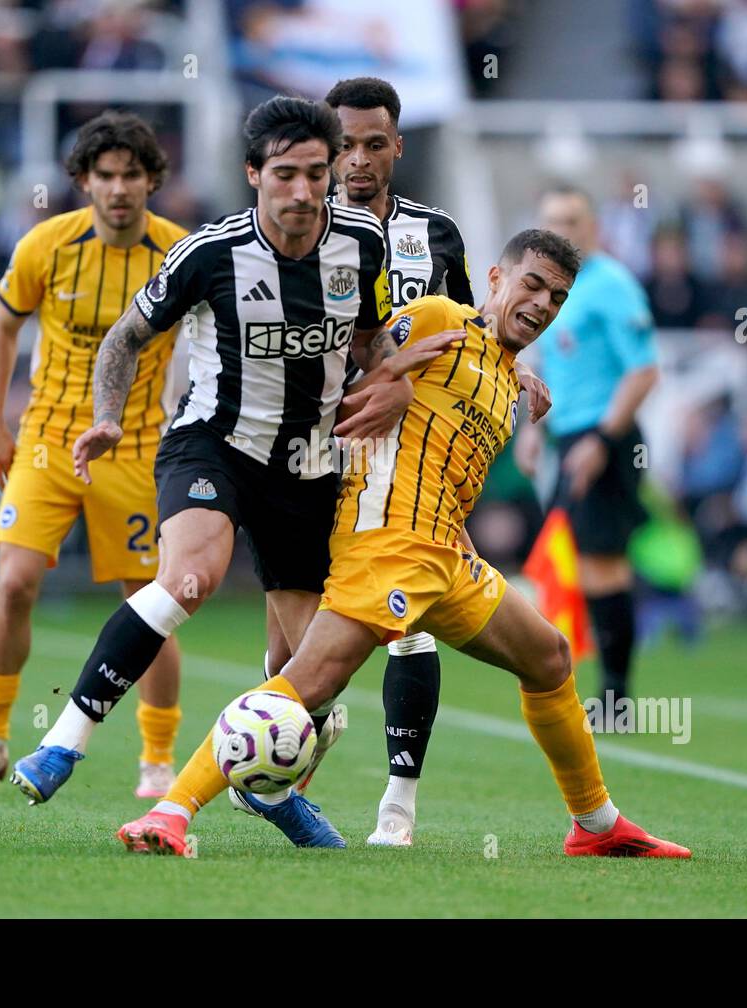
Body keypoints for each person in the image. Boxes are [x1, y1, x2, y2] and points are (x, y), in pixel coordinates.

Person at [119, 229, 691, 859]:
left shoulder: (506, 377)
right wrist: (388, 372)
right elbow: (345, 369)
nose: (543, 304)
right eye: (532, 284)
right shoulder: (439, 317)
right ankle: (172, 811)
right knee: (305, 684)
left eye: (557, 297)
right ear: (495, 280)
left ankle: (596, 823)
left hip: (447, 556)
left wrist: (515, 377)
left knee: (551, 656)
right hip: (386, 543)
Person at [9, 97, 450, 849]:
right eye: (285, 175)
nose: (304, 192)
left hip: (309, 466)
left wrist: (394, 377)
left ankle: (269, 791)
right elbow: (124, 338)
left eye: (317, 173)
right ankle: (65, 740)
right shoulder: (210, 252)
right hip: (213, 445)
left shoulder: (362, 243)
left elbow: (369, 342)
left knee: (315, 669)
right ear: (253, 174)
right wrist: (109, 416)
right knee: (189, 580)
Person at [284, 75, 549, 848]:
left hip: (403, 461)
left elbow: (479, 328)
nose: (359, 161)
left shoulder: (436, 233)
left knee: (412, 627)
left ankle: (397, 805)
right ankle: (281, 770)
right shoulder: (300, 226)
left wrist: (519, 370)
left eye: (375, 143)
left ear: (399, 145)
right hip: (312, 447)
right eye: (346, 146)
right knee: (300, 648)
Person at [0, 111, 189, 799]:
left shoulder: (179, 254)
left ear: (151, 180)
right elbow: (0, 330)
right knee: (15, 582)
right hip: (48, 440)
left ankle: (158, 758)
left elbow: (215, 338)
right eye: (105, 175)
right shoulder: (45, 246)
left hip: (139, 447)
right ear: (83, 181)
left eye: (132, 175)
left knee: (151, 604)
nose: (118, 189)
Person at [516, 185, 659, 717]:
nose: (563, 230)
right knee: (569, 559)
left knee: (602, 563)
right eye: (552, 221)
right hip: (568, 437)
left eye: (572, 219)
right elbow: (551, 362)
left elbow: (644, 370)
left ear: (594, 226)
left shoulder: (611, 285)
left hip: (605, 438)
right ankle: (579, 686)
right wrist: (533, 429)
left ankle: (617, 696)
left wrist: (602, 439)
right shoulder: (559, 289)